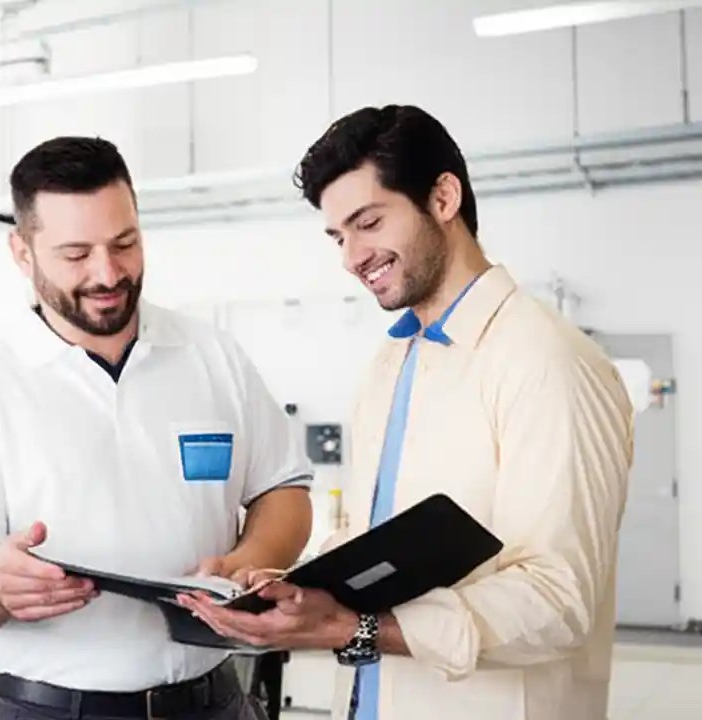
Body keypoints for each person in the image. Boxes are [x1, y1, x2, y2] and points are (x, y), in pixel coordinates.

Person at [178, 105, 635, 720]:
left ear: (443, 197)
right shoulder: (394, 362)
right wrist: (292, 586)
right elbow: (377, 541)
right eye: (339, 236)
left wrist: (356, 628)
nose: (352, 256)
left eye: (367, 223)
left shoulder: (547, 360)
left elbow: (560, 599)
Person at [0, 135, 315, 719]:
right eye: (76, 255)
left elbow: (283, 491)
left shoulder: (212, 355)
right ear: (22, 253)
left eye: (124, 244)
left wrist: (247, 560)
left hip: (215, 702)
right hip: (55, 710)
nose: (108, 273)